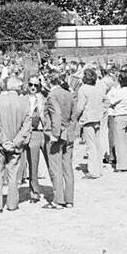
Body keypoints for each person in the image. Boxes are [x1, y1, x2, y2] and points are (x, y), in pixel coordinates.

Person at [0, 77, 34, 212]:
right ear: (19, 87)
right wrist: (15, 142)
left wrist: (3, 141)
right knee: (13, 174)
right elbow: (26, 126)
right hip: (15, 144)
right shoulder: (24, 103)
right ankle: (12, 203)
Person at [45, 74, 80, 209]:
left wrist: (55, 133)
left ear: (49, 81)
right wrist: (70, 130)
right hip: (68, 134)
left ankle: (58, 200)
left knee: (56, 168)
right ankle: (69, 199)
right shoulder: (69, 95)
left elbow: (56, 114)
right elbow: (74, 115)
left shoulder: (52, 95)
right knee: (67, 167)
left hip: (57, 135)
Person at [75, 68, 107, 178]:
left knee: (91, 145)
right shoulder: (98, 88)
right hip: (98, 117)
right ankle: (99, 169)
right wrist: (102, 110)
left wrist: (75, 117)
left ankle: (93, 171)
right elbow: (106, 101)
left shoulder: (83, 89)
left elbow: (80, 106)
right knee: (97, 144)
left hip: (88, 118)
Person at [105, 71, 127, 172]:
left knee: (119, 143)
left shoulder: (120, 92)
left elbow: (111, 101)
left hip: (119, 116)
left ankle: (122, 165)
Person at [22, 77, 48, 202]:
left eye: (36, 85)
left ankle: (57, 191)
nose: (33, 87)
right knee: (33, 164)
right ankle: (34, 192)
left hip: (44, 131)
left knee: (51, 163)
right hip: (33, 133)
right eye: (31, 85)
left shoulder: (44, 99)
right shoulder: (24, 100)